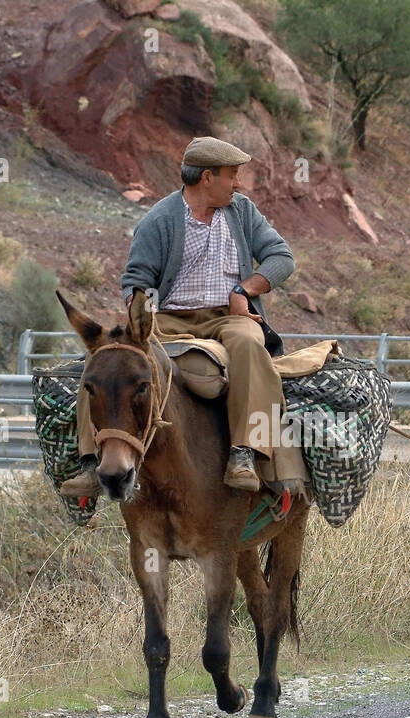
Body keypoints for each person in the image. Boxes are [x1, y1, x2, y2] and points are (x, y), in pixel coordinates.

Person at [59, 135, 295, 498]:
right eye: (232, 175)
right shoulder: (159, 220)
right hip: (169, 319)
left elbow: (281, 257)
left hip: (226, 316)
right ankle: (90, 463)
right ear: (206, 178)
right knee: (104, 362)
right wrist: (144, 311)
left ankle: (246, 453)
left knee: (250, 345)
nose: (238, 183)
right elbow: (137, 280)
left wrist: (244, 291)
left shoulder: (243, 211)